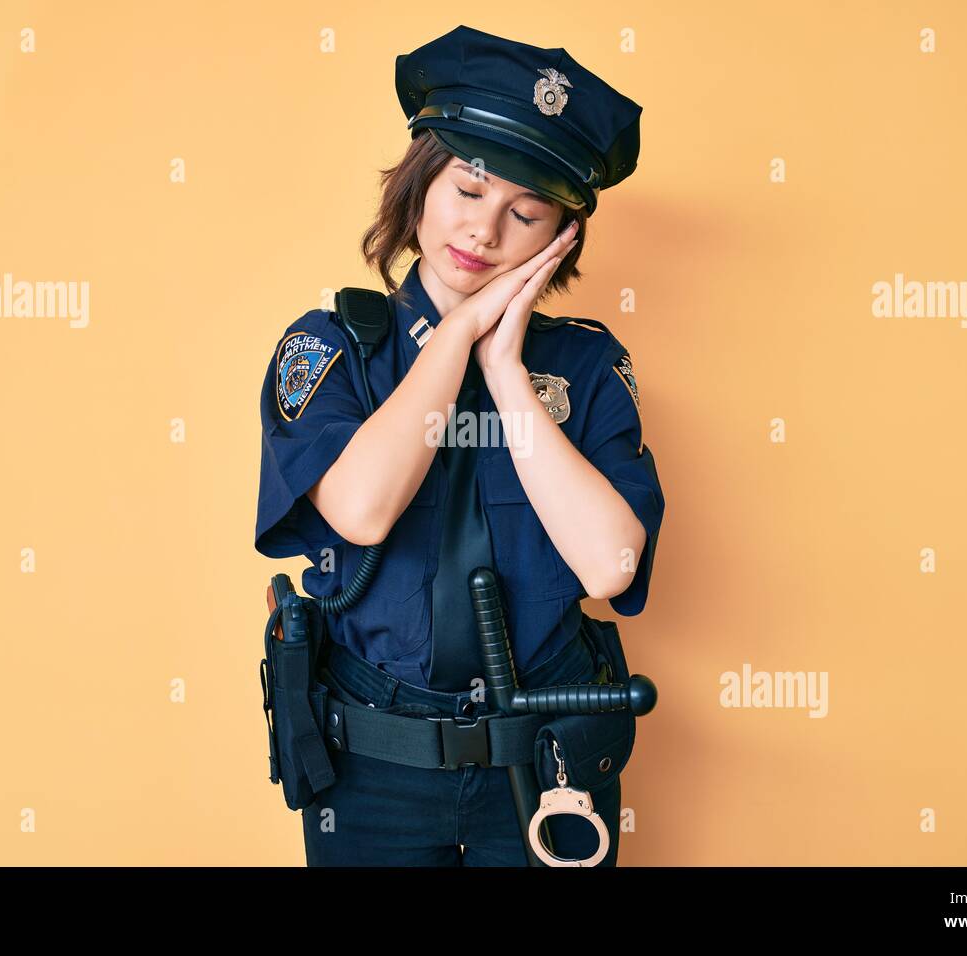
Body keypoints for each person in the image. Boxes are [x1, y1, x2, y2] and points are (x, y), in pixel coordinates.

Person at [254, 24, 664, 866]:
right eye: (469, 189)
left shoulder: (586, 365)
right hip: (373, 771)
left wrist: (506, 367)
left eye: (527, 212)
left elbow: (610, 566)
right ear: (421, 180)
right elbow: (361, 512)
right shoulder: (329, 350)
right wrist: (457, 334)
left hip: (547, 759)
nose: (485, 232)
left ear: (561, 238)